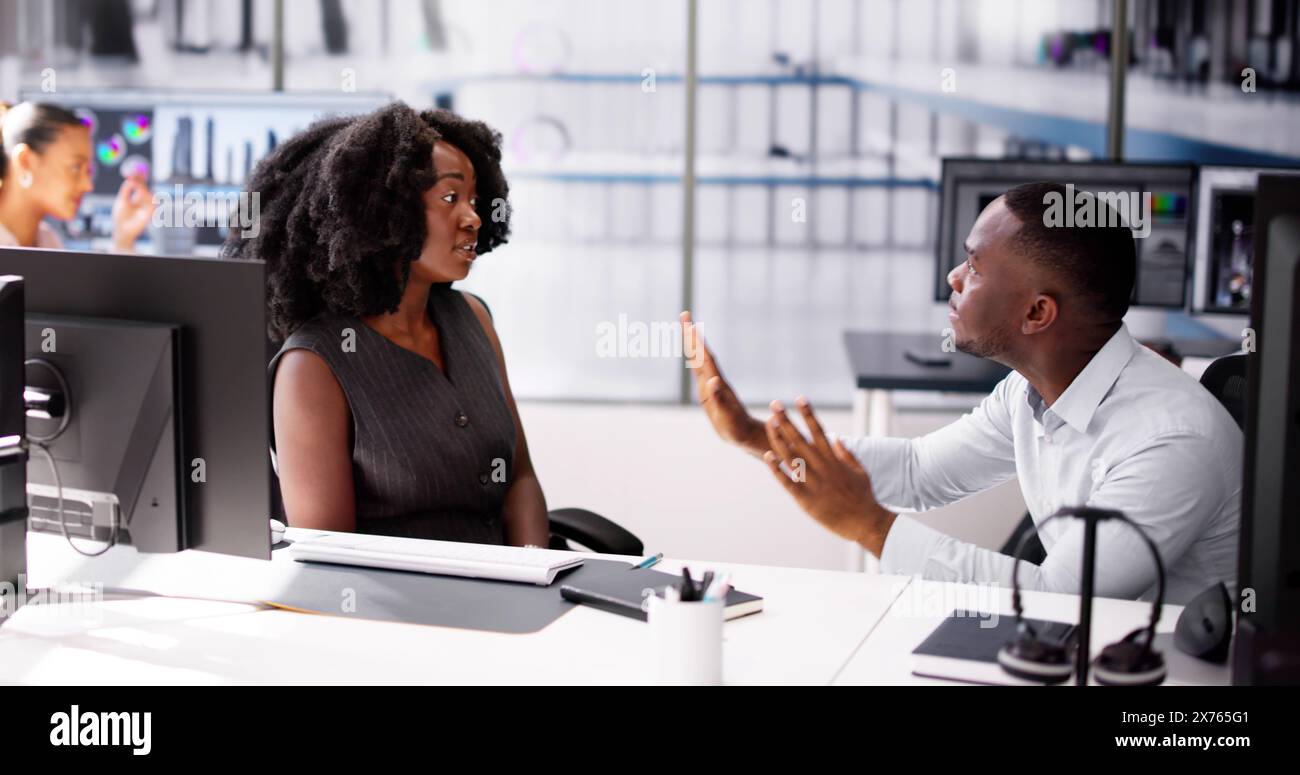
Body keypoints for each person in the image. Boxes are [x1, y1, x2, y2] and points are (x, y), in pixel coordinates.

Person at [684, 181, 1241, 605]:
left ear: (1037, 312)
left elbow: (1060, 600)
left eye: (973, 266)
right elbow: (920, 470)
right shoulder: (1031, 391)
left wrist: (870, 527)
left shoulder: (1170, 440)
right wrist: (757, 437)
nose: (953, 276)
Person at [225, 102, 549, 547]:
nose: (473, 218)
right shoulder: (315, 365)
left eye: (475, 200)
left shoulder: (473, 319)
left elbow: (520, 481)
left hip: (515, 596)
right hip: (393, 611)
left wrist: (532, 574)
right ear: (385, 212)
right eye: (450, 198)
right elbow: (330, 560)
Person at [0, 101, 152, 250]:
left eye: (88, 171)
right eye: (76, 168)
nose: (88, 185)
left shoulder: (48, 241)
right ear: (25, 161)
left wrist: (123, 240)